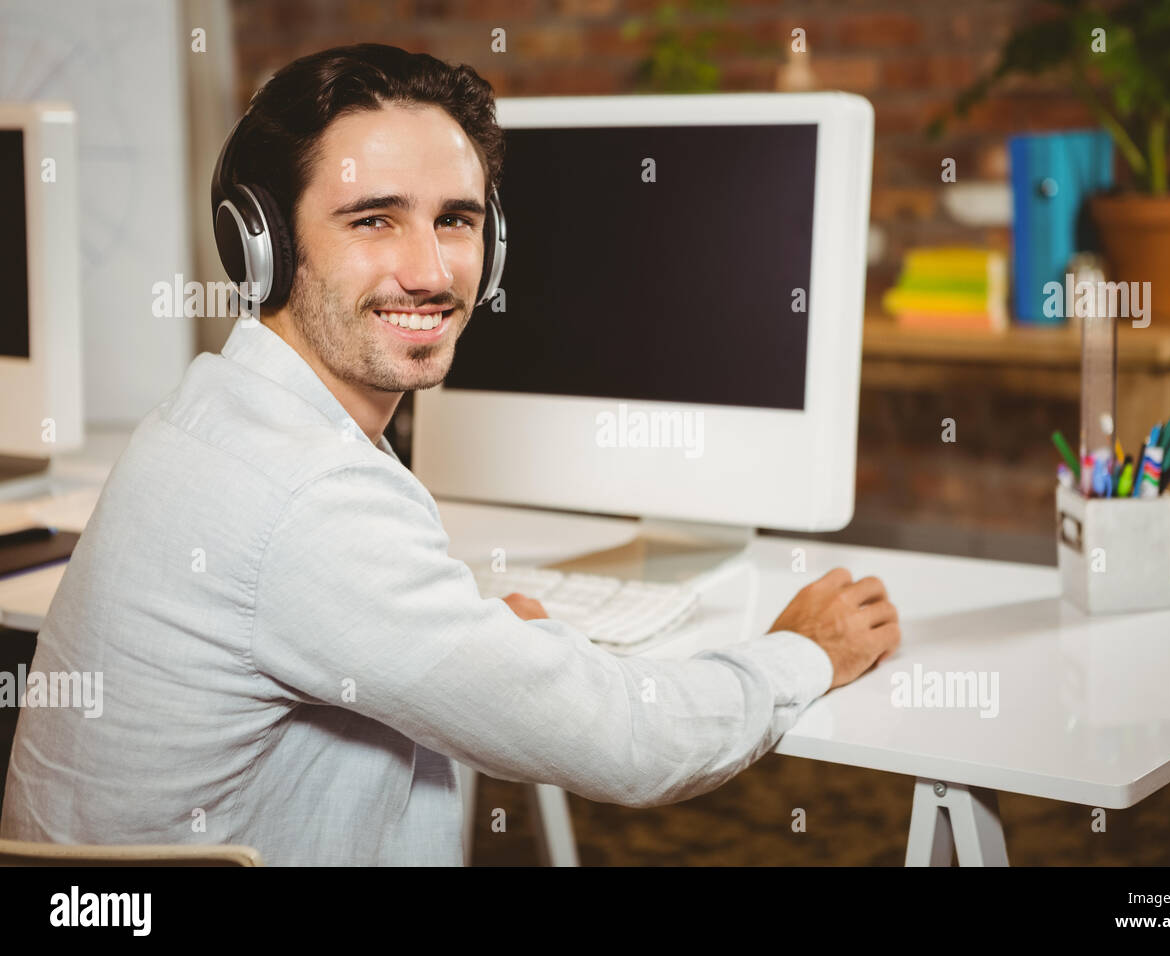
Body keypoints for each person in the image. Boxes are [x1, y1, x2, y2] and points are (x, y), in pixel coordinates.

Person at [0, 44, 899, 865]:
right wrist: (799, 651)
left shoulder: (211, 417)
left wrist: (477, 644)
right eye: (373, 220)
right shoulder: (311, 495)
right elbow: (631, 744)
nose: (430, 271)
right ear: (260, 246)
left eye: (457, 221)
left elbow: (333, 607)